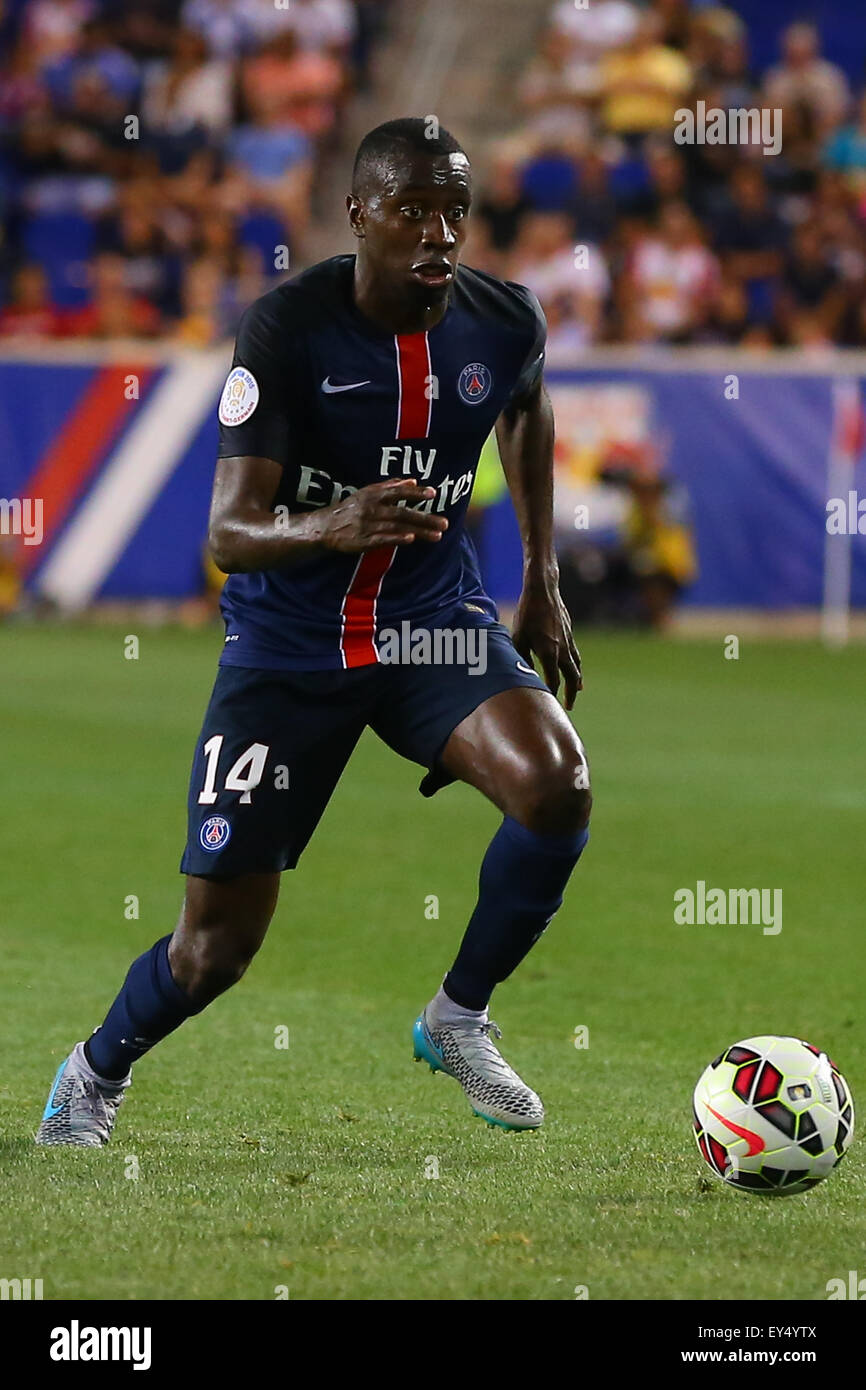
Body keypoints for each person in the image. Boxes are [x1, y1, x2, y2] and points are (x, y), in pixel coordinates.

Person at [36, 118, 591, 1147]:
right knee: (214, 951)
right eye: (411, 208)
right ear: (357, 215)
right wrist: (331, 523)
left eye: (454, 209)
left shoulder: (502, 320)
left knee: (555, 783)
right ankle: (92, 1071)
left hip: (429, 622)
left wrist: (541, 579)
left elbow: (526, 409)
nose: (437, 230)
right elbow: (226, 534)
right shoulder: (286, 330)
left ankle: (456, 1015)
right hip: (289, 648)